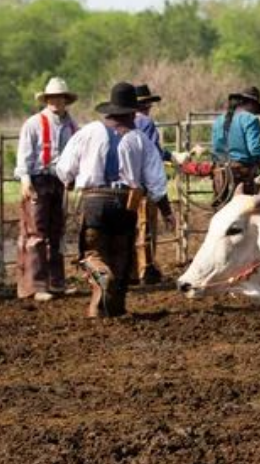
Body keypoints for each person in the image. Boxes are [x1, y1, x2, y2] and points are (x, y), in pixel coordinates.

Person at [56, 82, 174, 318]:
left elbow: (65, 168)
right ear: (131, 112)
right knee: (121, 256)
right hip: (126, 202)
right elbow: (156, 182)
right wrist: (167, 211)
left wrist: (69, 180)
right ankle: (114, 308)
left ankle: (99, 277)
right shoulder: (140, 139)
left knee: (92, 251)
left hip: (94, 201)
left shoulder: (87, 133)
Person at [14, 77, 79, 303]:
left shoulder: (72, 126)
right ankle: (36, 285)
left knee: (56, 232)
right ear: (46, 99)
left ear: (65, 100)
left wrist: (72, 177)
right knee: (36, 233)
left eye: (59, 97)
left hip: (59, 181)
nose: (55, 101)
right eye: (52, 97)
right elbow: (24, 154)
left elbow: (75, 154)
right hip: (38, 180)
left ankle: (57, 282)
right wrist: (25, 179)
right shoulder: (33, 124)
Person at [211, 86, 260, 196]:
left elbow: (216, 149)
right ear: (252, 104)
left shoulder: (219, 120)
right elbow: (256, 149)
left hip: (220, 175)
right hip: (242, 176)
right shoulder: (250, 119)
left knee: (221, 209)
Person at [133, 84, 171, 285]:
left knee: (130, 228)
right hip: (145, 183)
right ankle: (146, 269)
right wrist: (171, 156)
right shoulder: (146, 123)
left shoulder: (124, 122)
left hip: (126, 183)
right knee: (146, 226)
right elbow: (153, 151)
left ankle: (131, 269)